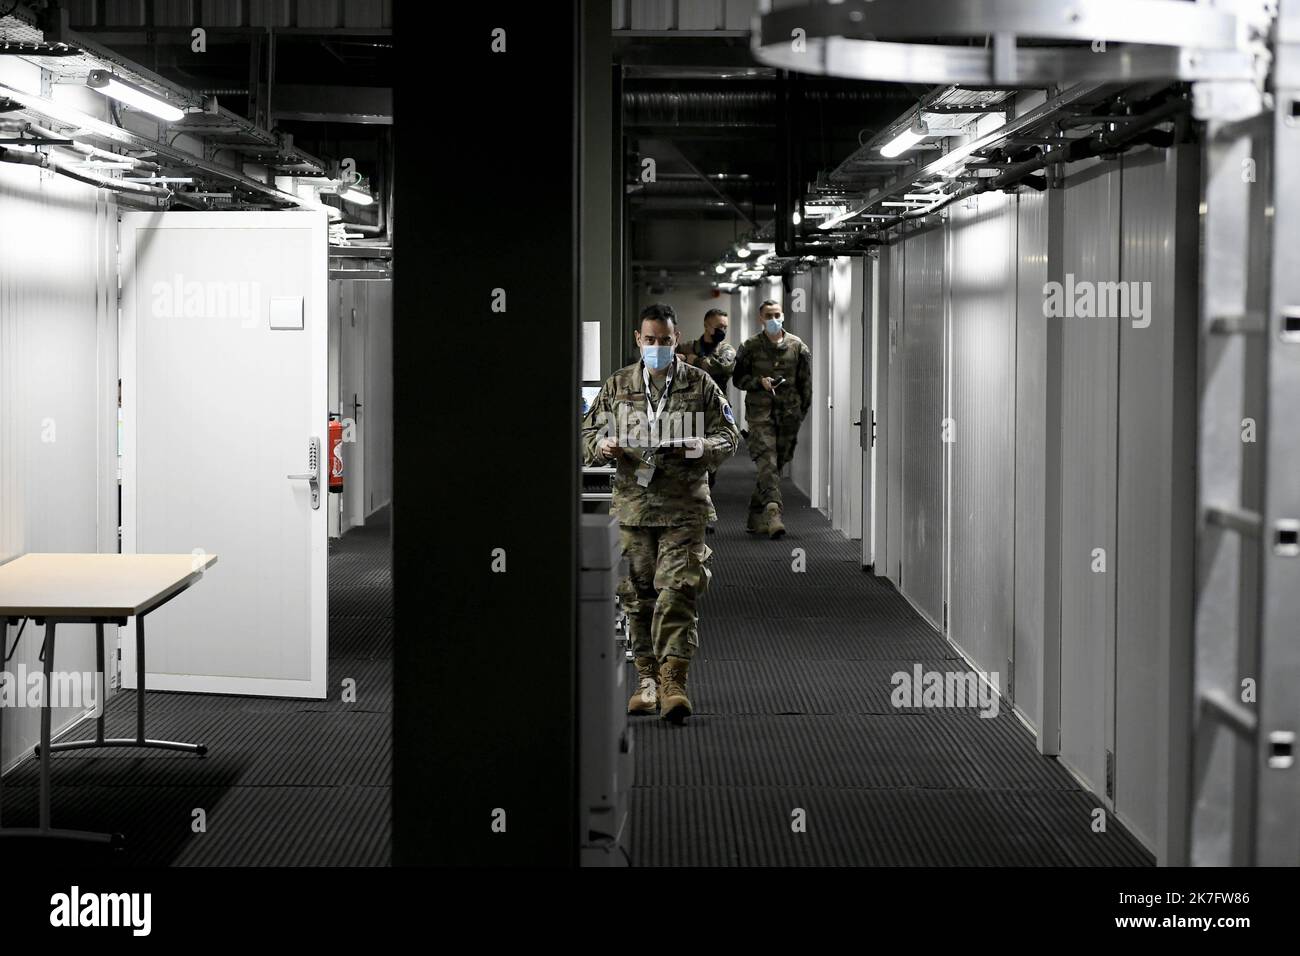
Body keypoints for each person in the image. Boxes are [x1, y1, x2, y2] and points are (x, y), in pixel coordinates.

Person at [581, 303, 739, 722]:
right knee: (637, 599)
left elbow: (729, 434)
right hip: (633, 508)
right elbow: (587, 432)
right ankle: (646, 680)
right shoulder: (618, 386)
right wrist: (602, 446)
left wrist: (703, 447)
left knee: (677, 592)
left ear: (676, 338)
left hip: (684, 508)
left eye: (665, 341)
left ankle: (674, 682)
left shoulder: (700, 384)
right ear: (638, 340)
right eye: (650, 341)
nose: (657, 348)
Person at [732, 299, 812, 539]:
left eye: (777, 314)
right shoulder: (750, 346)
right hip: (760, 415)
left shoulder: (798, 347)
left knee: (777, 463)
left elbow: (805, 385)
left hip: (789, 416)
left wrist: (800, 413)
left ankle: (755, 513)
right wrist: (759, 382)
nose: (773, 319)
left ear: (783, 316)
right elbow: (738, 379)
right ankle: (773, 512)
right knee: (766, 460)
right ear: (761, 319)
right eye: (768, 315)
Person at [676, 307, 737, 533]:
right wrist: (685, 357)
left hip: (714, 413)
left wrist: (692, 360)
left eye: (725, 327)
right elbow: (669, 359)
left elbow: (722, 367)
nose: (722, 330)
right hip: (689, 411)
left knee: (708, 463)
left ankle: (704, 512)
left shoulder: (726, 349)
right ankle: (692, 512)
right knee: (687, 461)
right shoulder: (688, 346)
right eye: (719, 326)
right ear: (706, 325)